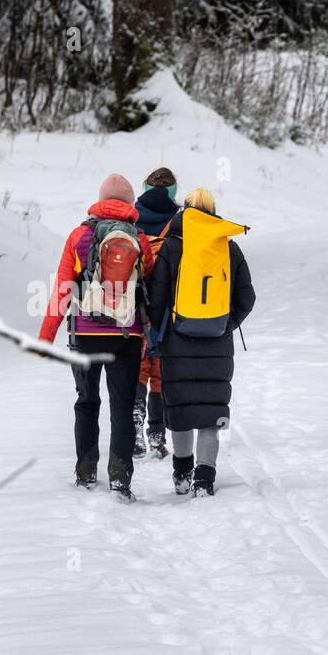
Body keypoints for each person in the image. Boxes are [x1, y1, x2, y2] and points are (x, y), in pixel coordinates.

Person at [39, 173, 156, 500]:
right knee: (121, 408)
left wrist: (46, 337)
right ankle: (120, 479)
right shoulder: (140, 240)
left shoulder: (79, 236)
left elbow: (62, 289)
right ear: (131, 204)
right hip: (126, 336)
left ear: (100, 200)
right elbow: (147, 288)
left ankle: (86, 471)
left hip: (85, 336)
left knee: (87, 402)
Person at [146, 187, 256, 497]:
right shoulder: (229, 248)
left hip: (176, 343)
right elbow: (247, 299)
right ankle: (205, 478)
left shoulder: (171, 248)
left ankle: (182, 472)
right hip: (217, 344)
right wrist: (225, 325)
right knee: (211, 409)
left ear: (185, 211)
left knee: (182, 406)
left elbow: (157, 300)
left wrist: (161, 331)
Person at [133, 167, 180, 460]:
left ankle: (134, 424)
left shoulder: (132, 216)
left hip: (135, 304)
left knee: (138, 368)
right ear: (173, 191)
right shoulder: (178, 221)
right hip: (168, 306)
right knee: (160, 373)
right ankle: (157, 435)